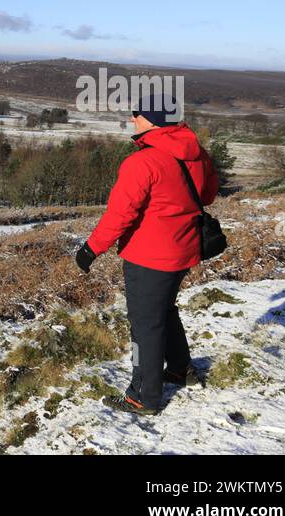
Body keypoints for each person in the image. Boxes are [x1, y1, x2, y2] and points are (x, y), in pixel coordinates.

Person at [74, 99, 220, 416]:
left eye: (136, 115)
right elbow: (206, 196)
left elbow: (119, 215)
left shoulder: (143, 162)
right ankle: (181, 370)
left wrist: (90, 250)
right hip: (185, 249)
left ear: (151, 121)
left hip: (149, 257)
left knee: (145, 326)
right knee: (164, 311)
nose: (132, 119)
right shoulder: (197, 153)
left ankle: (144, 396)